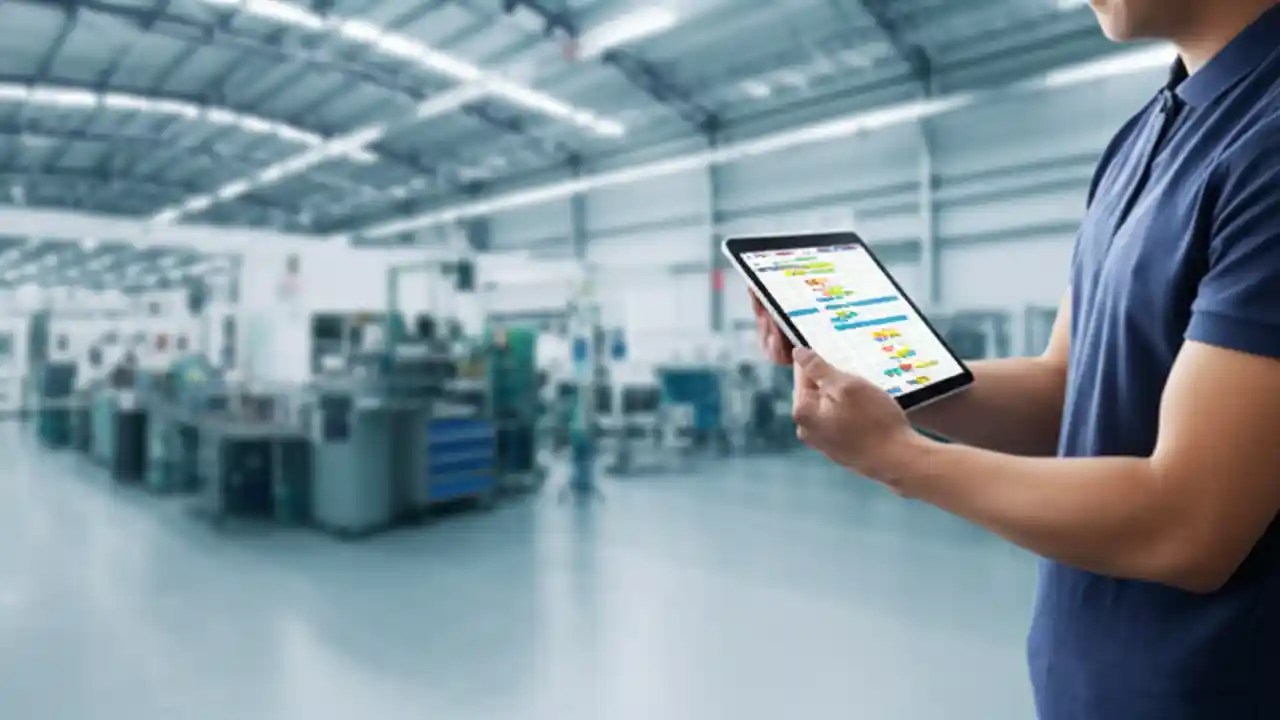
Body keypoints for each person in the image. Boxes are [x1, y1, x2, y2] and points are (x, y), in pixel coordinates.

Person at [752, 1, 1280, 718]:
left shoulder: (1268, 140)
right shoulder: (1144, 136)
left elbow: (1190, 522)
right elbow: (1064, 390)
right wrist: (888, 377)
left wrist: (899, 458)